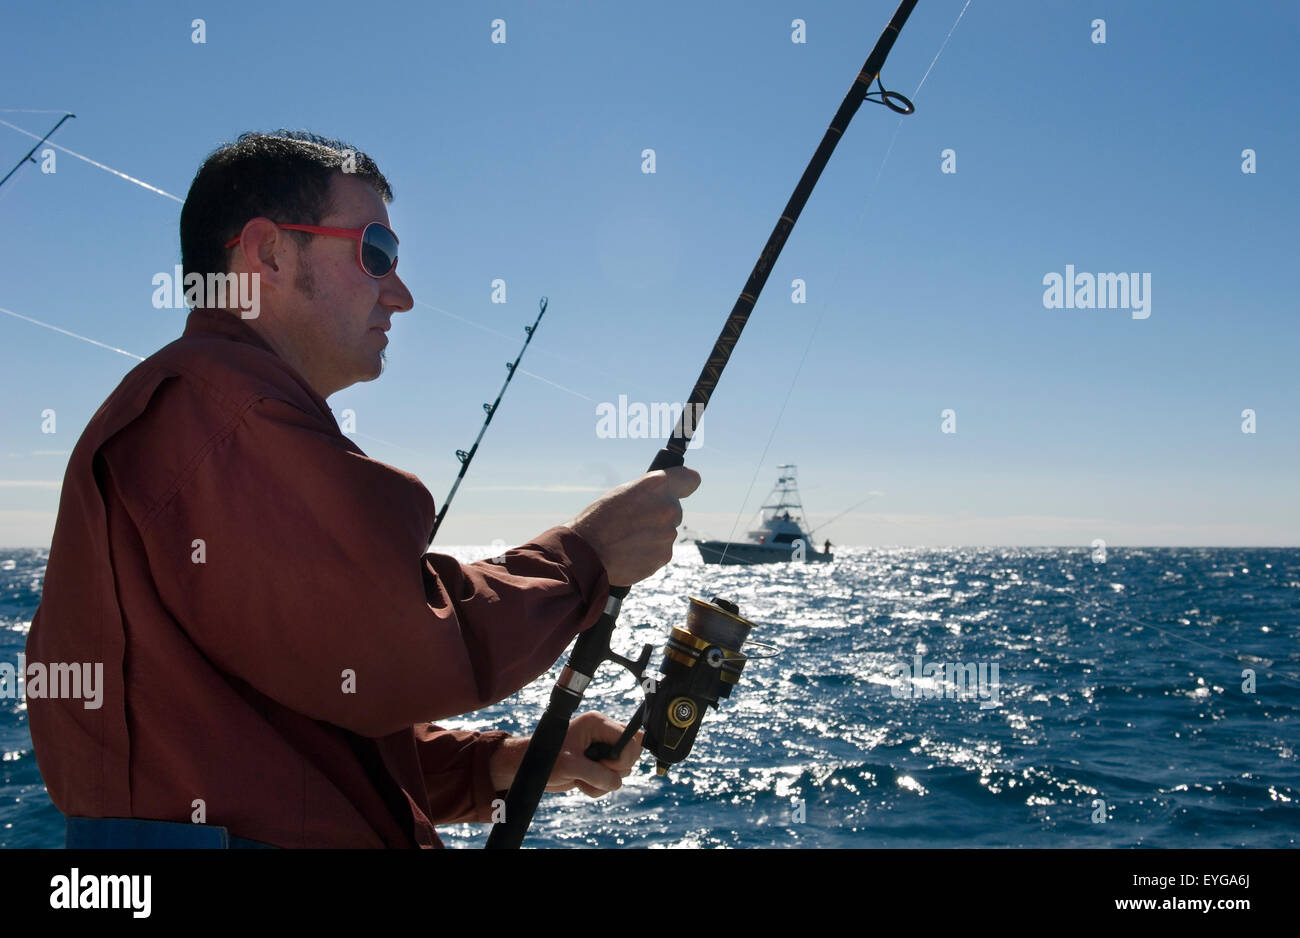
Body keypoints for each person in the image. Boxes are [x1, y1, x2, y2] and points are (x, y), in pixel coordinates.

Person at [25, 130, 700, 848]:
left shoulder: (217, 414)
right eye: (376, 251)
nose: (401, 294)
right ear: (268, 254)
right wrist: (587, 556)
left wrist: (512, 763)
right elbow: (400, 649)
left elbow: (318, 737)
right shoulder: (219, 419)